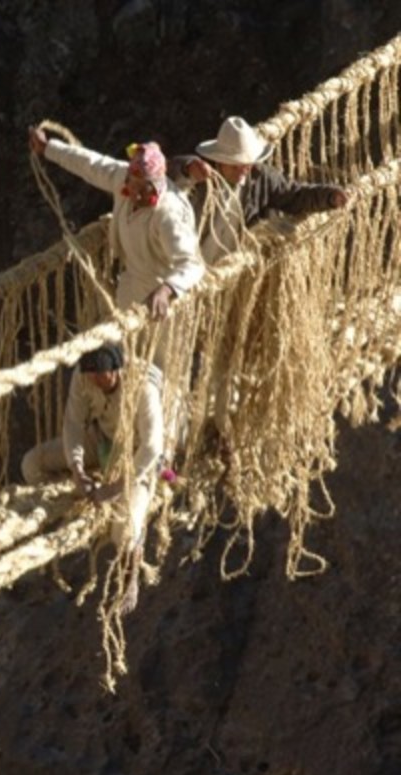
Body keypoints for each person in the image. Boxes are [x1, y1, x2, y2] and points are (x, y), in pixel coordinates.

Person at [20, 344, 164, 614]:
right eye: (92, 375)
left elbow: (152, 448)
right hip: (101, 441)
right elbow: (73, 424)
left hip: (135, 460)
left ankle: (131, 571)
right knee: (31, 465)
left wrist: (116, 489)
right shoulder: (83, 374)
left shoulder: (144, 387)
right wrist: (77, 469)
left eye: (103, 375)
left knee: (124, 532)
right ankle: (72, 507)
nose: (96, 380)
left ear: (118, 369)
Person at [28, 127, 206, 322]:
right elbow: (89, 163)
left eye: (145, 190)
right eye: (133, 186)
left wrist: (166, 290)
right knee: (123, 347)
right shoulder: (123, 178)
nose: (136, 195)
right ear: (128, 178)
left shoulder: (169, 215)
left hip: (163, 304)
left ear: (158, 186)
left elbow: (193, 264)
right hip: (130, 290)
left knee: (158, 353)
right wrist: (48, 148)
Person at [168, 116, 352, 264]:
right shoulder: (201, 176)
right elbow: (173, 174)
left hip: (223, 271)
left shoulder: (260, 178)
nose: (243, 170)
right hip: (185, 265)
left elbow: (294, 196)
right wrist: (188, 169)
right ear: (220, 160)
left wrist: (329, 197)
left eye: (247, 164)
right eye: (235, 164)